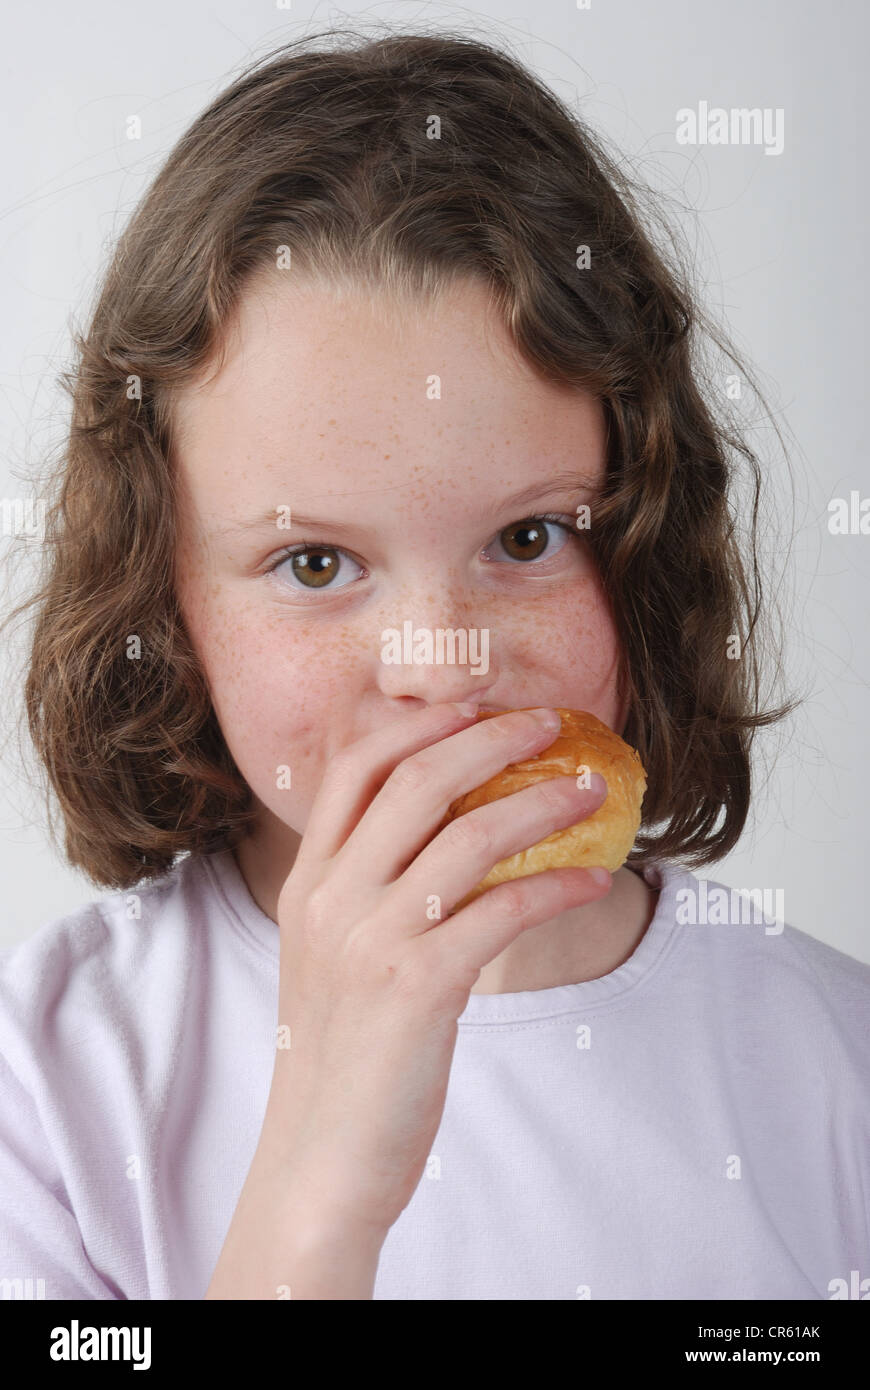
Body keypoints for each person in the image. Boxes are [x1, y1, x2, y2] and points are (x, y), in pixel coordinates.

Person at [1, 29, 867, 1302]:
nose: (441, 666)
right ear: (165, 592)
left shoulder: (834, 1066)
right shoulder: (53, 1085)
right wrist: (315, 1190)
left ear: (641, 544)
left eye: (528, 537)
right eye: (314, 563)